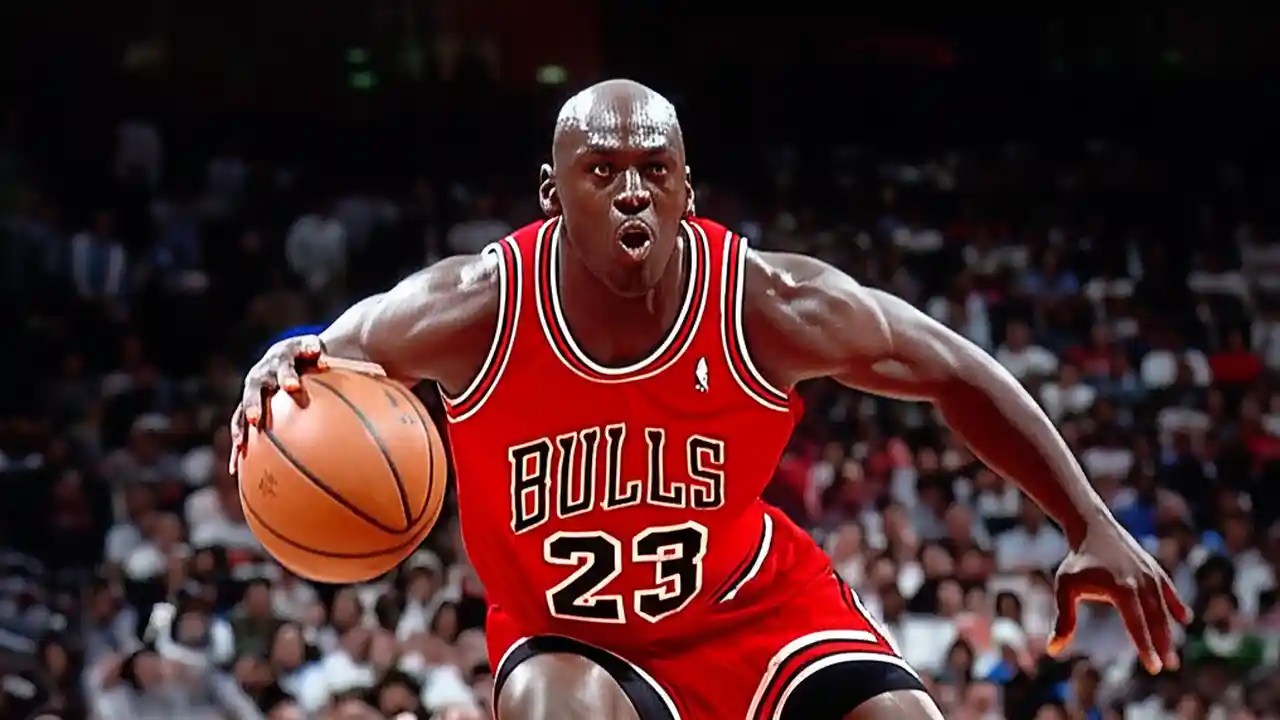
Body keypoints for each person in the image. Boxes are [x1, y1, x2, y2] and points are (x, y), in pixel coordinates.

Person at [230, 79, 1190, 720]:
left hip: (756, 609)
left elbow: (950, 366)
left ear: (690, 188)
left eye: (655, 170)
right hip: (572, 638)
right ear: (551, 191)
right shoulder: (475, 307)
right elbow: (325, 350)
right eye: (602, 172)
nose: (633, 193)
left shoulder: (766, 303)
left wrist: (1087, 519)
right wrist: (270, 368)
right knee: (553, 710)